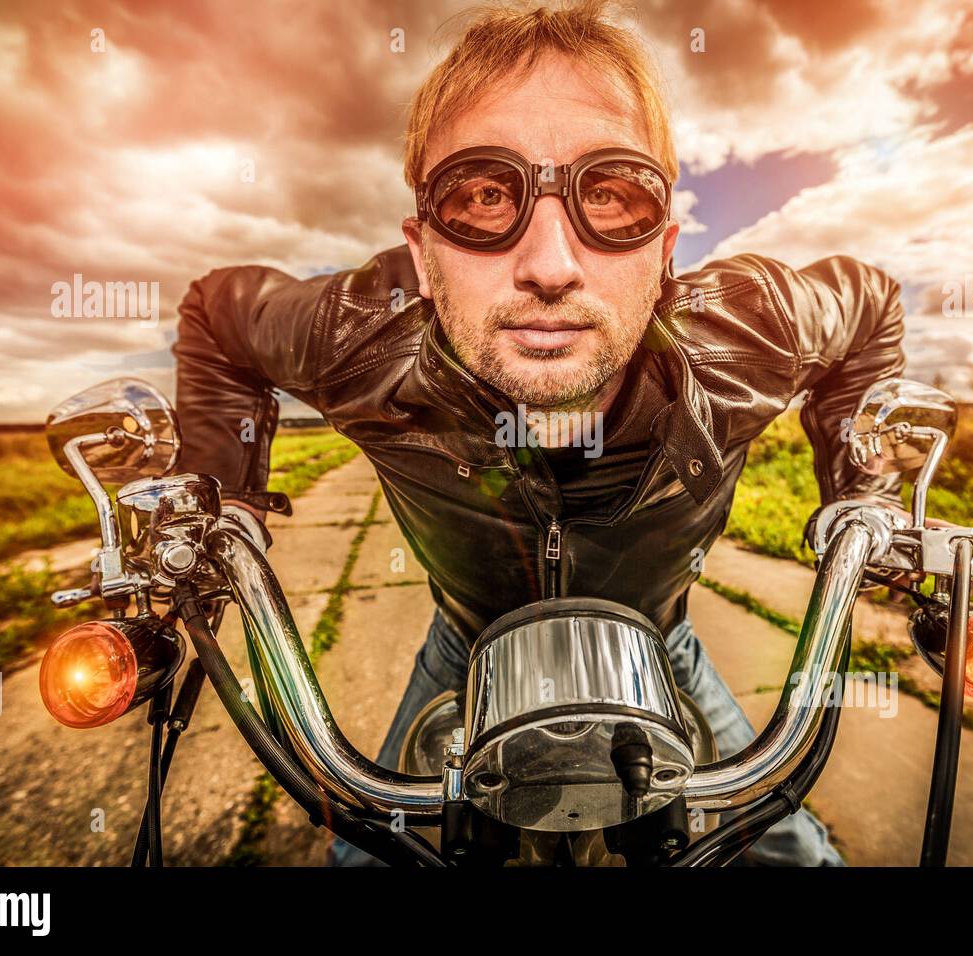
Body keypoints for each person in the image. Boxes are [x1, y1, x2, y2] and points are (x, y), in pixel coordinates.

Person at [173, 0, 907, 866]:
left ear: (665, 245)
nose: (552, 266)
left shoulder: (755, 332)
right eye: (483, 196)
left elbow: (871, 302)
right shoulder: (355, 336)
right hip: (466, 641)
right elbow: (217, 313)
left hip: (659, 645)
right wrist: (218, 507)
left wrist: (864, 498)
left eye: (612, 194)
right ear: (421, 251)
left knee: (789, 855)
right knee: (372, 853)